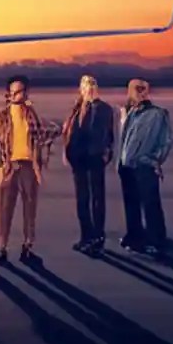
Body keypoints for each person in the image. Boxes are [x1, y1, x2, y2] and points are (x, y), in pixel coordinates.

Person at [0, 75, 58, 264]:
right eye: (14, 91)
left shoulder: (32, 115)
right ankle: (2, 247)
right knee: (4, 209)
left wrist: (40, 158)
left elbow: (48, 132)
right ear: (8, 94)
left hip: (28, 167)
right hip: (9, 166)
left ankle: (27, 246)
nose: (18, 95)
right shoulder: (1, 116)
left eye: (21, 91)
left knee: (30, 208)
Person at [118, 78, 173, 257]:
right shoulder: (130, 112)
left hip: (144, 165)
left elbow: (165, 141)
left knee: (150, 204)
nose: (138, 92)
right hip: (127, 165)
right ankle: (134, 235)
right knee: (131, 204)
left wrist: (155, 160)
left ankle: (156, 240)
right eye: (135, 89)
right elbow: (124, 139)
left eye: (142, 89)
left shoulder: (157, 114)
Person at [63, 75, 115, 258]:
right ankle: (86, 235)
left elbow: (107, 135)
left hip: (94, 158)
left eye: (91, 85)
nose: (88, 89)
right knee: (82, 199)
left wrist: (104, 154)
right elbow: (69, 131)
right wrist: (68, 152)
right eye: (85, 86)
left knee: (97, 199)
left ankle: (98, 237)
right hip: (78, 160)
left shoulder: (104, 109)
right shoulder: (76, 109)